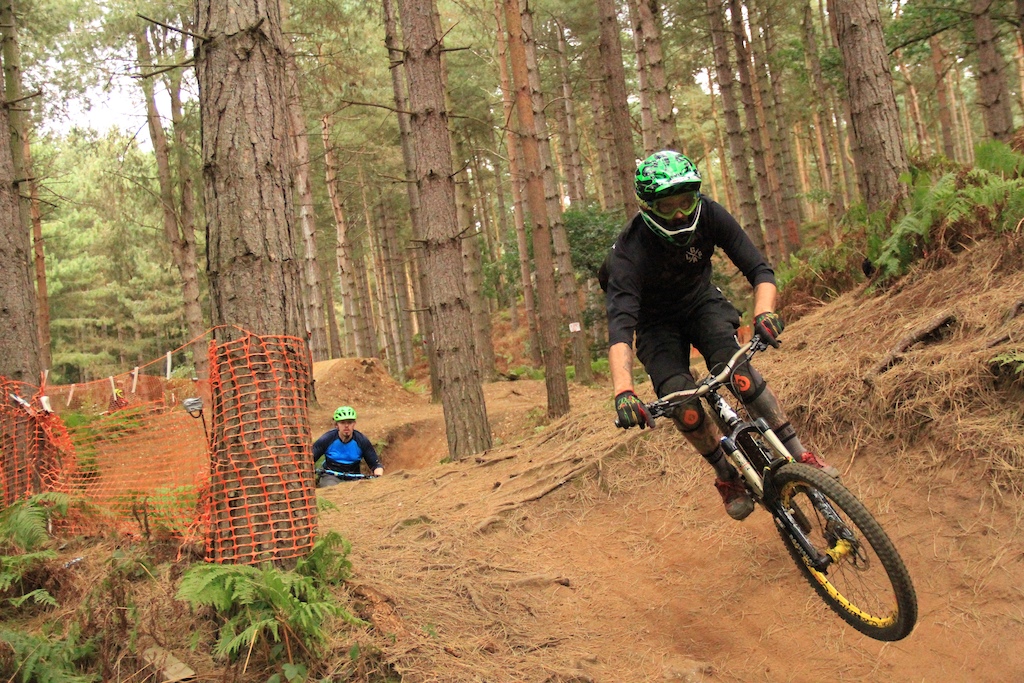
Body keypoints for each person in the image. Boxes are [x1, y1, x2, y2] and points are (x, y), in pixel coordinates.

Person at [600, 150, 838, 520]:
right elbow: (620, 330)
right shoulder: (629, 253)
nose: (680, 213)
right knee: (685, 408)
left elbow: (759, 268)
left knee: (739, 373)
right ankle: (727, 475)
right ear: (648, 208)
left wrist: (765, 313)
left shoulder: (709, 213)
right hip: (654, 325)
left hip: (701, 303)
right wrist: (624, 391)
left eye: (686, 201)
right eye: (668, 206)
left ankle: (800, 455)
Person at [312, 406, 384, 487]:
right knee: (331, 489)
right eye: (342, 422)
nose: (346, 426)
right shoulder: (327, 439)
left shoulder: (362, 440)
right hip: (331, 476)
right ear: (336, 425)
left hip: (354, 478)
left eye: (349, 422)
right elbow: (310, 459)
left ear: (354, 424)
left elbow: (376, 464)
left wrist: (378, 477)